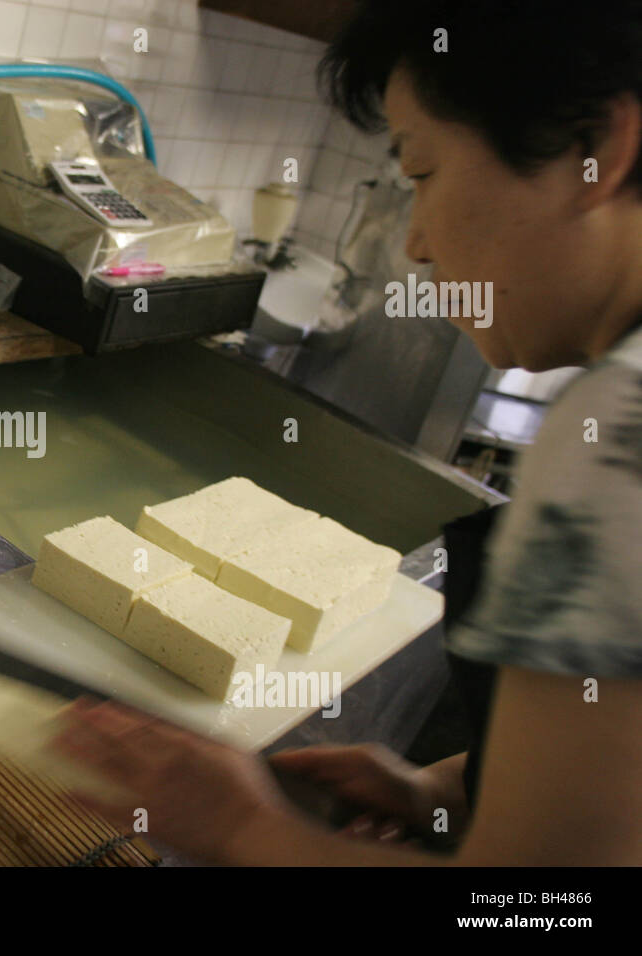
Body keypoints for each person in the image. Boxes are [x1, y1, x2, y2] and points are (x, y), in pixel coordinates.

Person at [52, 0, 642, 865]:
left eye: (424, 174)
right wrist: (446, 790)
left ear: (598, 148)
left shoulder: (614, 434)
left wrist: (241, 828)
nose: (418, 243)